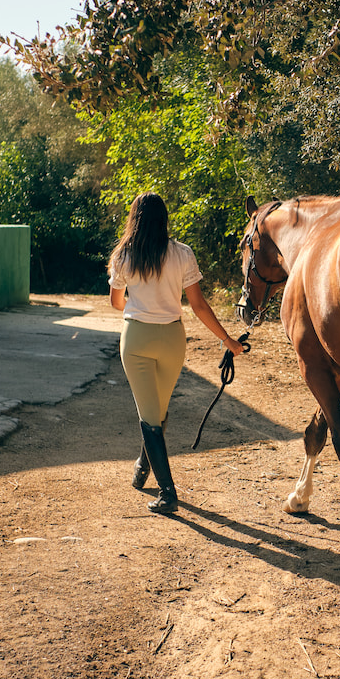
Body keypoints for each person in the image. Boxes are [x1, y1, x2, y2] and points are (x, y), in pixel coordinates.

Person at [108, 192, 244, 514]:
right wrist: (227, 340)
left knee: (150, 415)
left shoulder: (123, 256)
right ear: (164, 219)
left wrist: (141, 308)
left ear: (134, 218)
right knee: (157, 411)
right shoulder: (182, 254)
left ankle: (168, 493)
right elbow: (197, 305)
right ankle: (144, 464)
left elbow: (116, 303)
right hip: (173, 339)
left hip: (137, 339)